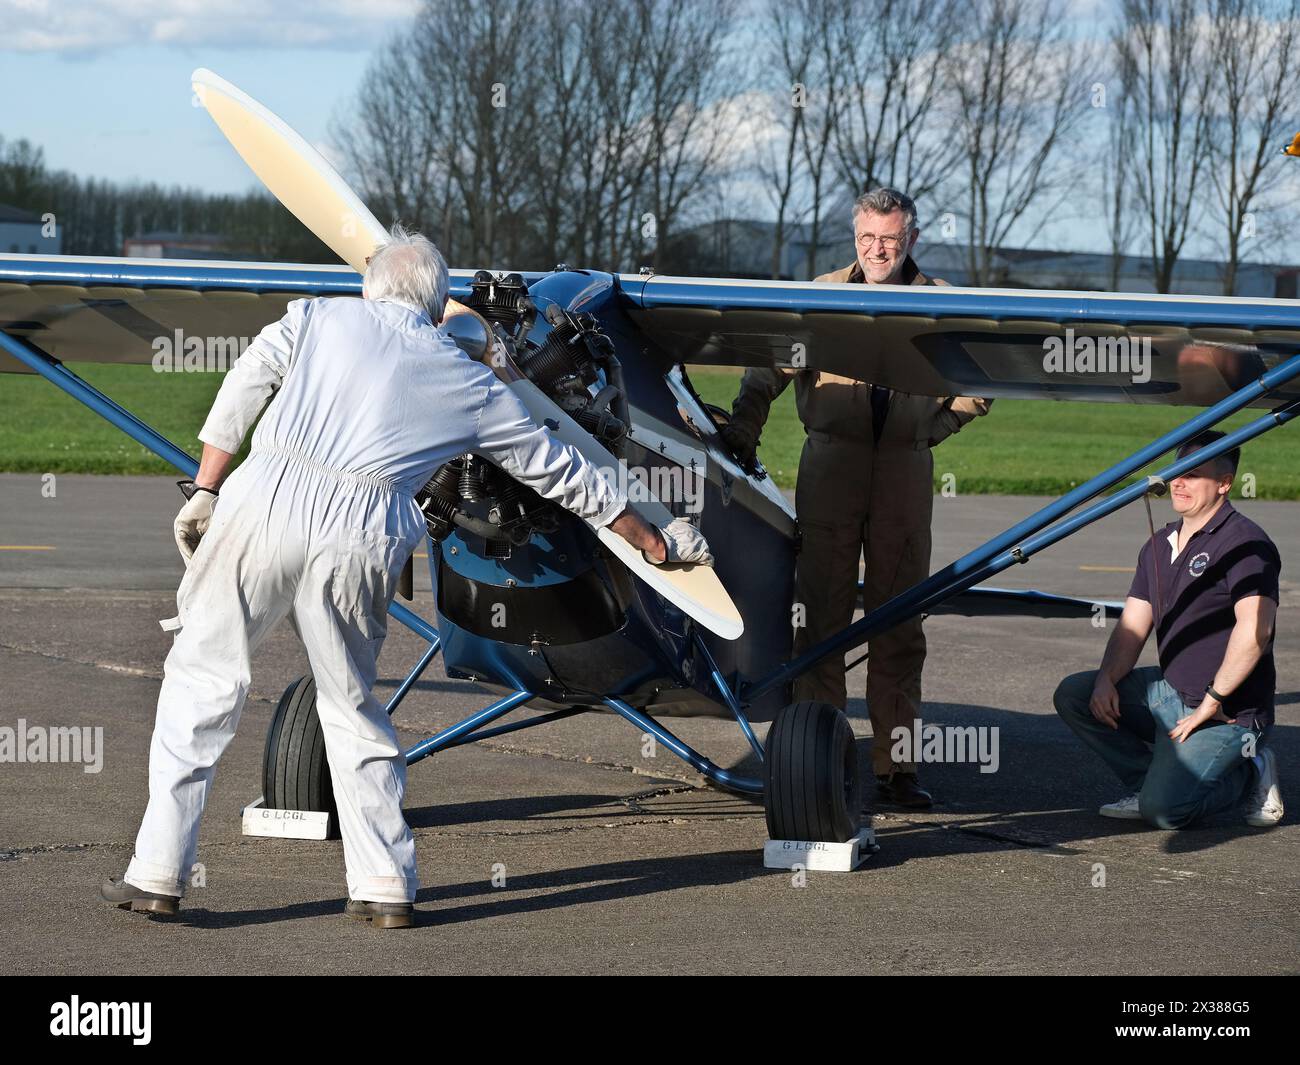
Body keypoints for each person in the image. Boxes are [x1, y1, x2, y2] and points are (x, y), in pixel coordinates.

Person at [101, 224, 708, 927]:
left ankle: (157, 872)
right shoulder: (470, 383)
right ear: (435, 302)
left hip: (262, 498)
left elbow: (248, 379)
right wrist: (651, 541)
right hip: (365, 528)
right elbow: (562, 471)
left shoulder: (318, 315)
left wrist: (207, 486)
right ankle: (386, 882)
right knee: (352, 702)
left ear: (372, 283)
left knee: (202, 680)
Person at [721, 187, 991, 808]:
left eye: (890, 238)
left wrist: (931, 429)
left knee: (900, 621)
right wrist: (743, 426)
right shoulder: (819, 295)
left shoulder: (943, 304)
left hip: (904, 470)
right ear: (855, 236)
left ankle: (897, 768)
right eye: (868, 237)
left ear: (912, 239)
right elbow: (766, 369)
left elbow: (980, 382)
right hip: (830, 464)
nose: (878, 249)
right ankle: (820, 756)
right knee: (819, 619)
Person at [1053, 431, 1283, 829]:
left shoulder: (1247, 544)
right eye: (1177, 471)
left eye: (1194, 475)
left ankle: (1250, 770)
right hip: (1170, 693)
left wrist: (1213, 700)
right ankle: (1146, 782)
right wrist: (1107, 679)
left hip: (1228, 712)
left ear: (1225, 485)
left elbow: (1256, 632)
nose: (1178, 482)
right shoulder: (1158, 545)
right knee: (1076, 694)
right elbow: (1131, 627)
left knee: (1165, 813)